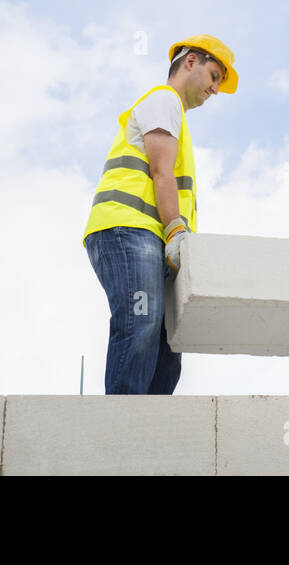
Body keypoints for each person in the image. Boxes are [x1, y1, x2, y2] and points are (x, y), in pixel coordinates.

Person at [82, 34, 238, 394]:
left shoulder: (174, 113)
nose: (215, 89)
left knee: (168, 346)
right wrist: (175, 230)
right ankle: (122, 424)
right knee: (141, 320)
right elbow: (161, 172)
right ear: (190, 62)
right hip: (127, 229)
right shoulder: (165, 100)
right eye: (214, 76)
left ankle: (150, 430)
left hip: (149, 237)